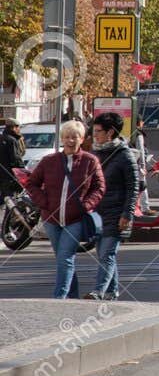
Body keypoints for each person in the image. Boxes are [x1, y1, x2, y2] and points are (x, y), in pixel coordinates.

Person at [25, 121, 104, 299]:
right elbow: (32, 183)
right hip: (51, 219)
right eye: (67, 137)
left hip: (75, 219)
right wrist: (43, 202)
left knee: (65, 258)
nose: (70, 140)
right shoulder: (49, 161)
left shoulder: (90, 161)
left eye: (74, 137)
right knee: (63, 259)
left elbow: (99, 188)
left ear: (82, 139)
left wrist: (85, 206)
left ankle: (58, 299)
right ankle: (73, 296)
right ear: (61, 139)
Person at [89, 114, 138, 300]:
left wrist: (128, 214)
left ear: (110, 132)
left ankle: (99, 291)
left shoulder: (125, 155)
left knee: (106, 254)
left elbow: (133, 188)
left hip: (117, 213)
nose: (94, 135)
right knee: (104, 254)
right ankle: (112, 292)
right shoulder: (96, 153)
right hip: (98, 213)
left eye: (98, 131)